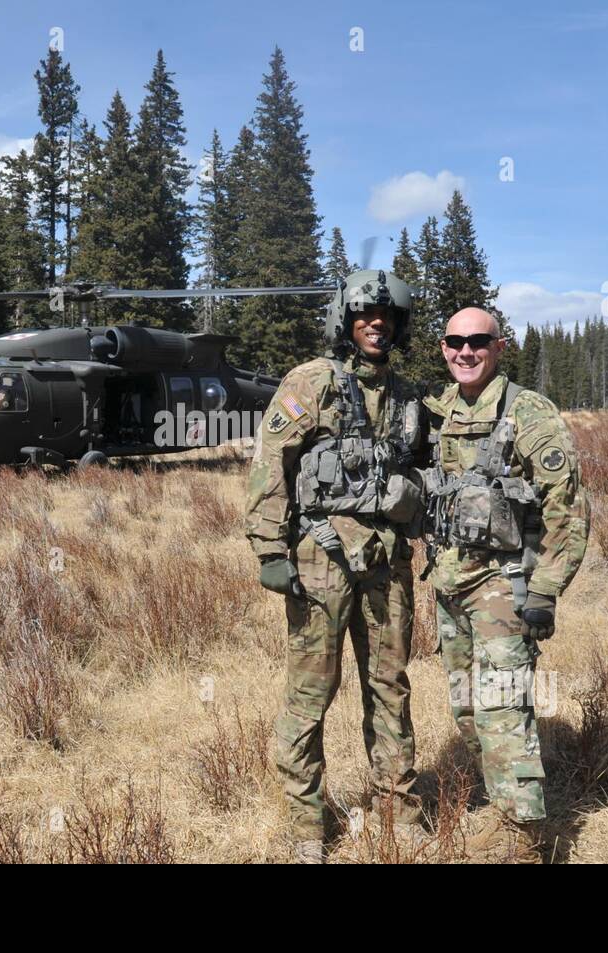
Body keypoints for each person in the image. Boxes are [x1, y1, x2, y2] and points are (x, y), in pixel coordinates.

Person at [243, 270, 428, 863]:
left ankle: (397, 811)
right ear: (346, 322)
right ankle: (306, 827)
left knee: (390, 689)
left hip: (387, 565)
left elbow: (428, 469)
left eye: (387, 318)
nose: (377, 325)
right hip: (320, 561)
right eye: (365, 316)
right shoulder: (312, 381)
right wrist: (270, 549)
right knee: (311, 691)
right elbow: (273, 458)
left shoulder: (406, 395)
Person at [421, 307, 590, 863]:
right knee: (466, 707)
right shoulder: (437, 410)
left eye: (477, 342)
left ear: (499, 346)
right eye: (454, 341)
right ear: (443, 347)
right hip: (450, 583)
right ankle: (501, 804)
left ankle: (526, 838)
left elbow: (567, 508)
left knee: (501, 706)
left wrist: (544, 591)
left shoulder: (527, 412)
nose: (464, 352)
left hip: (502, 582)